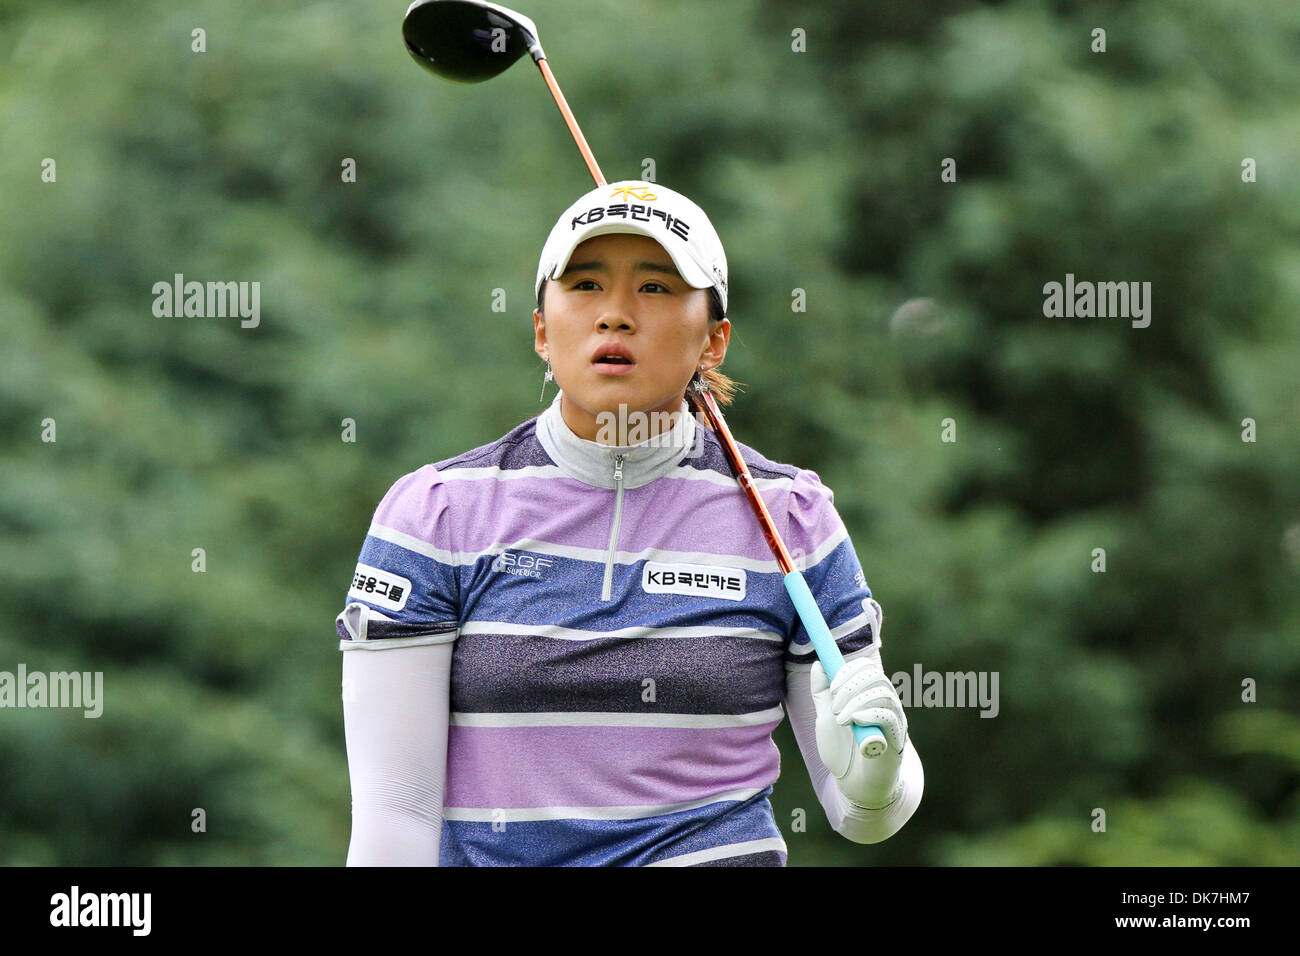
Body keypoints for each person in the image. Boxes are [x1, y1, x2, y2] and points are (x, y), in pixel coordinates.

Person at [336, 180, 923, 866]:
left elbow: (863, 814)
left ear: (715, 340)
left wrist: (877, 775)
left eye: (655, 288)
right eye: (584, 285)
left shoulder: (789, 519)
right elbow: (394, 819)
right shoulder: (437, 515)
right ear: (540, 330)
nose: (614, 315)